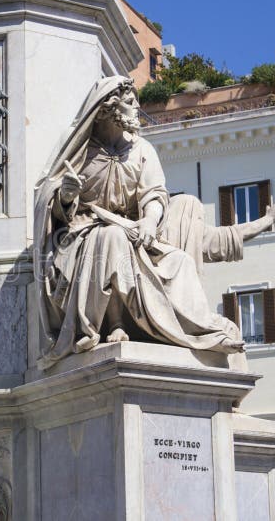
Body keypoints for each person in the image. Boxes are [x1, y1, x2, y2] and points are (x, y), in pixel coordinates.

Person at [34, 76, 245, 370]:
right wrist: (66, 196)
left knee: (179, 260)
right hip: (81, 237)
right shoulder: (79, 148)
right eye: (132, 103)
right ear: (110, 108)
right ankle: (112, 323)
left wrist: (149, 220)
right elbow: (48, 199)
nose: (138, 109)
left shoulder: (142, 149)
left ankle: (199, 331)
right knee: (111, 238)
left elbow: (155, 194)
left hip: (136, 231)